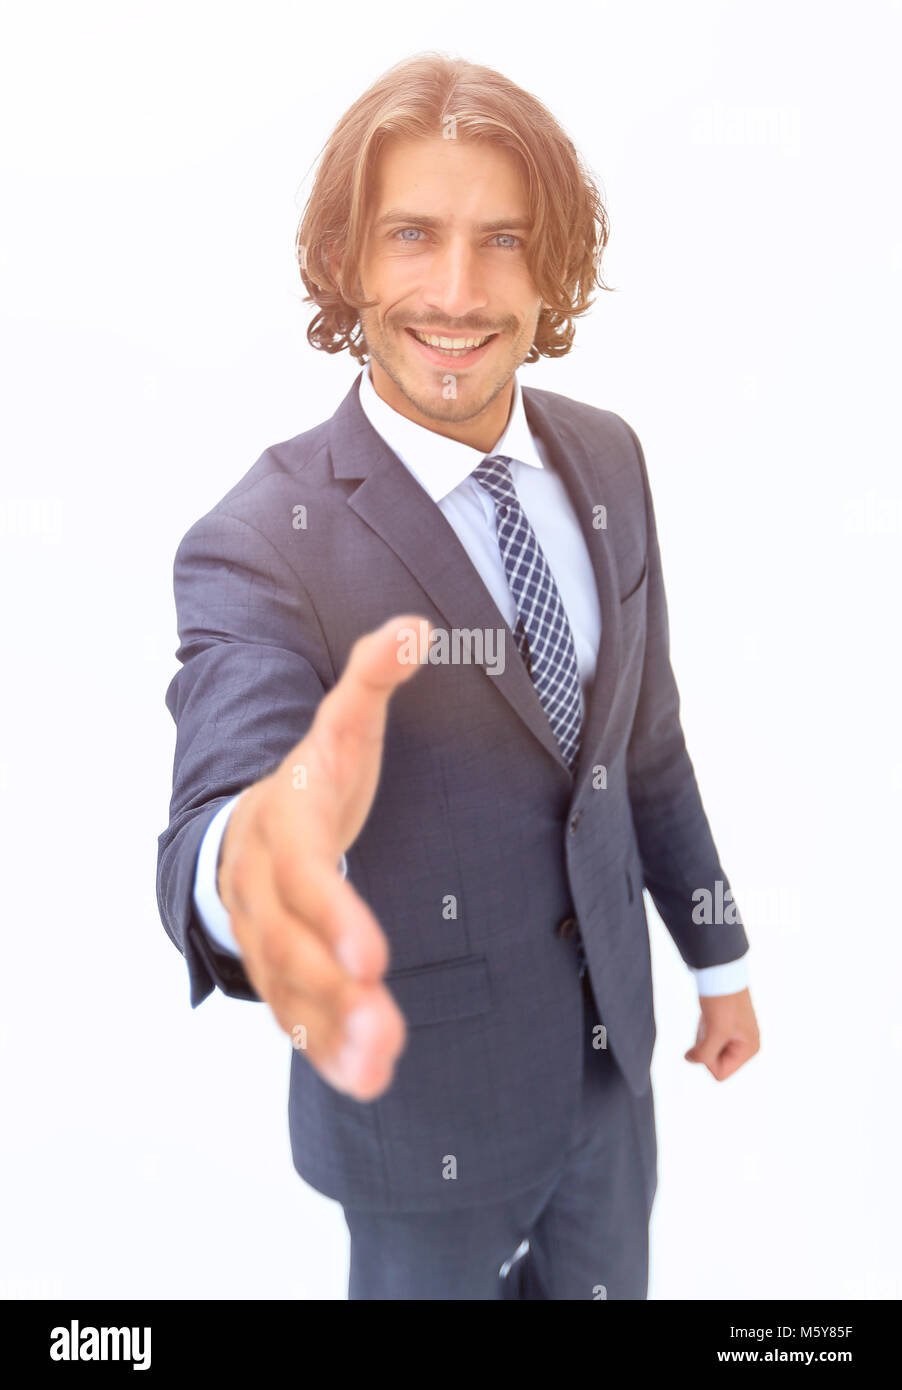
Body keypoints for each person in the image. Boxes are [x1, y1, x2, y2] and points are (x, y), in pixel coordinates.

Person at [156, 52, 760, 1300]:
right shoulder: (263, 536)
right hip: (419, 1122)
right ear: (346, 260)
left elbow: (642, 743)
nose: (454, 290)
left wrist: (717, 958)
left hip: (610, 1079)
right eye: (411, 236)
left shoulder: (606, 459)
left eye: (502, 242)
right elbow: (233, 788)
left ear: (553, 270)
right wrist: (246, 863)